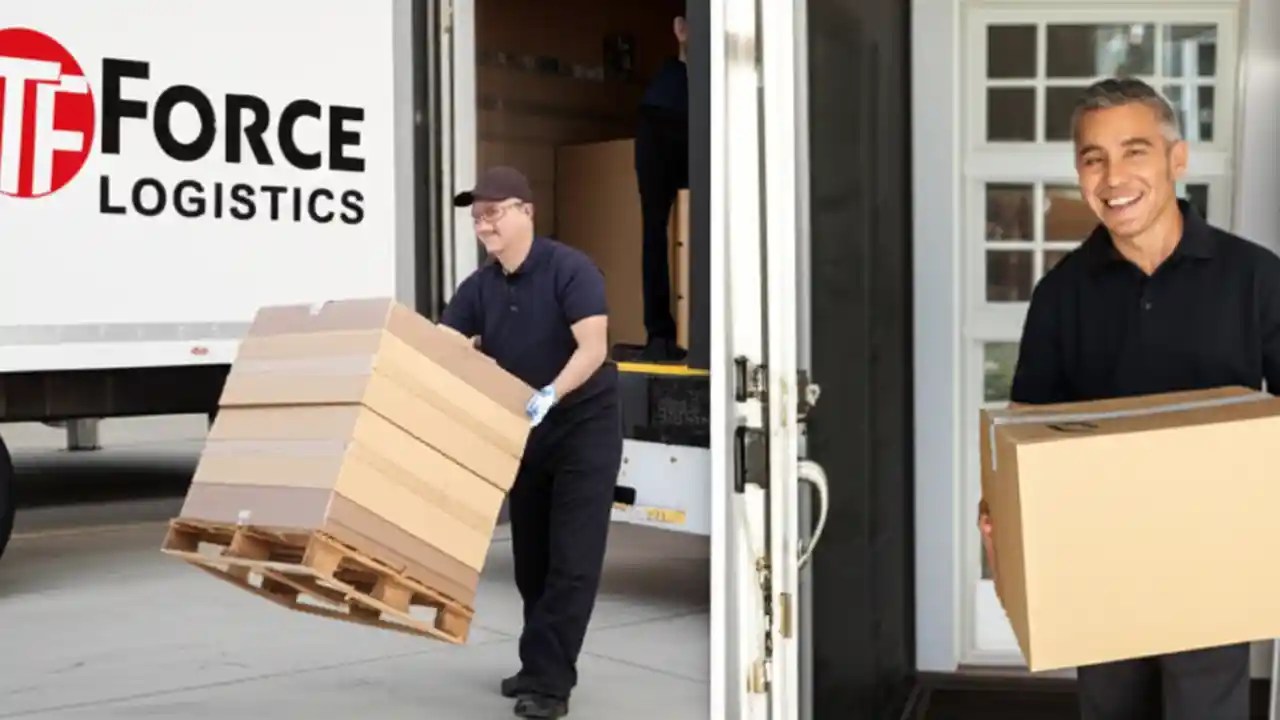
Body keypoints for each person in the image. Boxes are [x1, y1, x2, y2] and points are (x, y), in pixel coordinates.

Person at [979, 77, 1280, 720]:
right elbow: (1029, 426)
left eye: (1134, 150)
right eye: (1094, 158)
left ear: (1176, 159)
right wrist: (1000, 507)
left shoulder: (1255, 277)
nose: (1113, 176)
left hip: (1214, 561)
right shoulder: (1061, 294)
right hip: (1098, 563)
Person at [440, 166, 624, 719]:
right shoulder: (479, 287)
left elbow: (592, 347)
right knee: (532, 562)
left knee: (572, 559)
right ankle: (534, 664)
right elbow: (446, 342)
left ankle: (549, 684)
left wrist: (549, 394)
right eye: (476, 217)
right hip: (523, 432)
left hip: (581, 427)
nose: (483, 225)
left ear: (525, 212)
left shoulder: (570, 269)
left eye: (493, 212)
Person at [632, 12, 689, 362]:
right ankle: (661, 333)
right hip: (663, 129)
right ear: (680, 29)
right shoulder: (660, 98)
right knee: (656, 229)